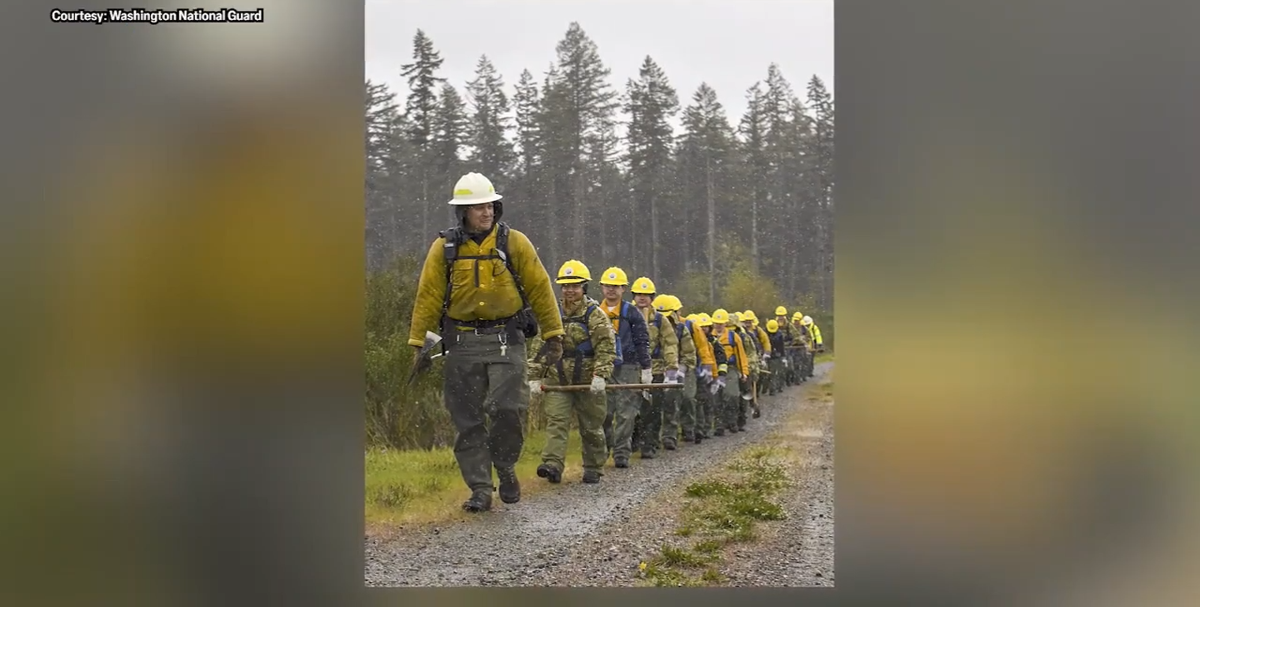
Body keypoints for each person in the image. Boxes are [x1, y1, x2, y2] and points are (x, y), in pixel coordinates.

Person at [406, 172, 565, 513]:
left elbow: (540, 288)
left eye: (490, 205)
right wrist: (417, 343)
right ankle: (480, 487)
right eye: (477, 206)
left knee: (509, 410)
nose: (486, 212)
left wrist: (554, 335)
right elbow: (428, 296)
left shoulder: (514, 243)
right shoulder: (444, 249)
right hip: (460, 343)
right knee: (467, 419)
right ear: (462, 211)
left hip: (507, 339)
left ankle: (505, 466)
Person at [526, 260, 615, 485]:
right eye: (565, 286)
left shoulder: (595, 314)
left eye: (574, 286)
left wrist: (600, 376)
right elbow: (539, 346)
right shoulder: (551, 312)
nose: (569, 290)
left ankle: (594, 466)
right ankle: (553, 465)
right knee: (557, 423)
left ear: (584, 287)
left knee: (592, 426)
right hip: (557, 380)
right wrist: (534, 376)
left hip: (588, 382)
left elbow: (606, 346)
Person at [597, 267, 651, 468]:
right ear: (601, 287)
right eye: (608, 286)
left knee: (626, 413)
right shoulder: (595, 311)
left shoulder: (632, 312)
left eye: (616, 286)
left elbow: (642, 341)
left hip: (629, 367)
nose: (611, 290)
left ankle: (621, 453)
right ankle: (602, 450)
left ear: (623, 289)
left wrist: (645, 368)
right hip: (603, 367)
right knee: (603, 412)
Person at [630, 277, 680, 457]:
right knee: (630, 409)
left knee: (652, 409)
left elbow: (670, 343)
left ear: (652, 298)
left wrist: (672, 368)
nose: (642, 298)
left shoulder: (660, 320)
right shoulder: (626, 315)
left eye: (646, 295)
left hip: (656, 369)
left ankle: (649, 444)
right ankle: (631, 442)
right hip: (632, 369)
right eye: (639, 294)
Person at [710, 309, 749, 435]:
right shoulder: (710, 336)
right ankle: (719, 425)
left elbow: (741, 355)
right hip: (714, 369)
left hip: (731, 369)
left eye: (720, 323)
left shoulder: (733, 336)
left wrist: (744, 372)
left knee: (732, 395)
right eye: (716, 323)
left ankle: (732, 421)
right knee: (716, 397)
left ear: (725, 323)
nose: (718, 325)